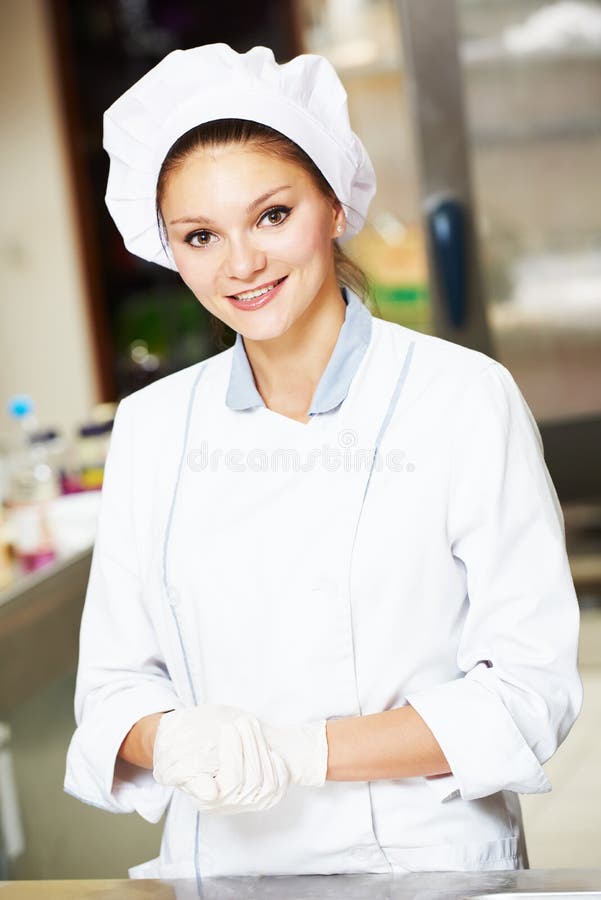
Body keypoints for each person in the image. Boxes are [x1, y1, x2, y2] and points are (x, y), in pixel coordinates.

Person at [64, 43, 582, 883]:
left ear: (333, 206)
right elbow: (115, 686)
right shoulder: (154, 425)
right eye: (200, 235)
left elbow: (528, 691)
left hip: (426, 867)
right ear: (169, 249)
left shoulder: (459, 398)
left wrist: (299, 753)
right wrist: (176, 737)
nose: (240, 265)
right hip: (220, 868)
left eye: (271, 215)